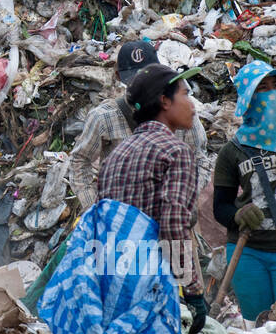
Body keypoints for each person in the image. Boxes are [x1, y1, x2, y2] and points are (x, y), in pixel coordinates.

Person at [39, 64, 201, 334]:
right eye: (185, 93)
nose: (192, 103)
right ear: (163, 102)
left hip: (107, 280)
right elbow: (173, 227)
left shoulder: (121, 153)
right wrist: (193, 288)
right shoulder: (176, 152)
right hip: (144, 283)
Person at [70, 39, 207, 210]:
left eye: (149, 77)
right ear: (119, 77)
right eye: (136, 79)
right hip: (123, 217)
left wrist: (184, 202)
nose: (144, 84)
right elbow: (79, 161)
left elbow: (200, 160)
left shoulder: (180, 112)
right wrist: (96, 208)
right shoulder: (104, 117)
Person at [213, 61, 276, 321]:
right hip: (250, 252)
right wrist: (238, 215)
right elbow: (221, 207)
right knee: (261, 328)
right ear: (249, 98)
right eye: (263, 88)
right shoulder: (233, 151)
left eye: (275, 85)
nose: (271, 93)